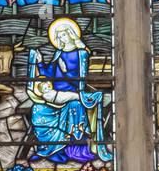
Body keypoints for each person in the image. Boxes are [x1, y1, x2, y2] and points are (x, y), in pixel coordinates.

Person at [28, 17, 109, 163]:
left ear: (71, 34)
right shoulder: (58, 53)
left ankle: (73, 151)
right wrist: (40, 63)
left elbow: (81, 80)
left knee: (75, 105)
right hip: (54, 95)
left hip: (73, 94)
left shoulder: (81, 54)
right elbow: (49, 74)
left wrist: (65, 71)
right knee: (37, 109)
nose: (61, 39)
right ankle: (47, 150)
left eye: (63, 35)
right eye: (59, 36)